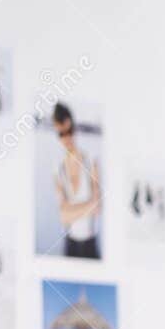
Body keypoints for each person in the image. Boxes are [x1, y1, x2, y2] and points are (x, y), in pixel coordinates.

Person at [51, 102, 100, 259]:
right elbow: (63, 217)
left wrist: (72, 210)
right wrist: (88, 205)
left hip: (90, 243)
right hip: (70, 244)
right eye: (61, 134)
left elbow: (98, 208)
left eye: (69, 131)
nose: (67, 138)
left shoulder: (90, 161)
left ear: (74, 129)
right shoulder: (58, 169)